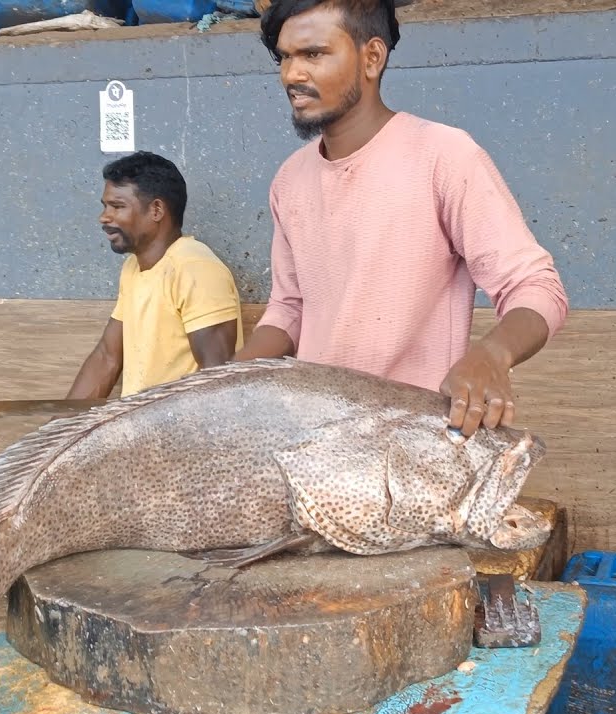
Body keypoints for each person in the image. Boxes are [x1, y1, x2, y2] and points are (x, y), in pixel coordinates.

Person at [234, 0, 568, 438]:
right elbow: (290, 307)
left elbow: (535, 286)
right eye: (285, 57)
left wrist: (492, 354)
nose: (291, 75)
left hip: (410, 445)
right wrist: (221, 382)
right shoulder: (289, 179)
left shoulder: (444, 156)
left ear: (372, 57)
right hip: (315, 440)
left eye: (313, 54)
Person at [67, 151, 244, 399]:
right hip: (141, 429)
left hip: (179, 433)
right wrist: (59, 431)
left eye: (118, 206)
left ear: (157, 210)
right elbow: (107, 357)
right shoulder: (133, 267)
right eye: (105, 206)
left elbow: (218, 382)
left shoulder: (194, 267)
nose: (104, 217)